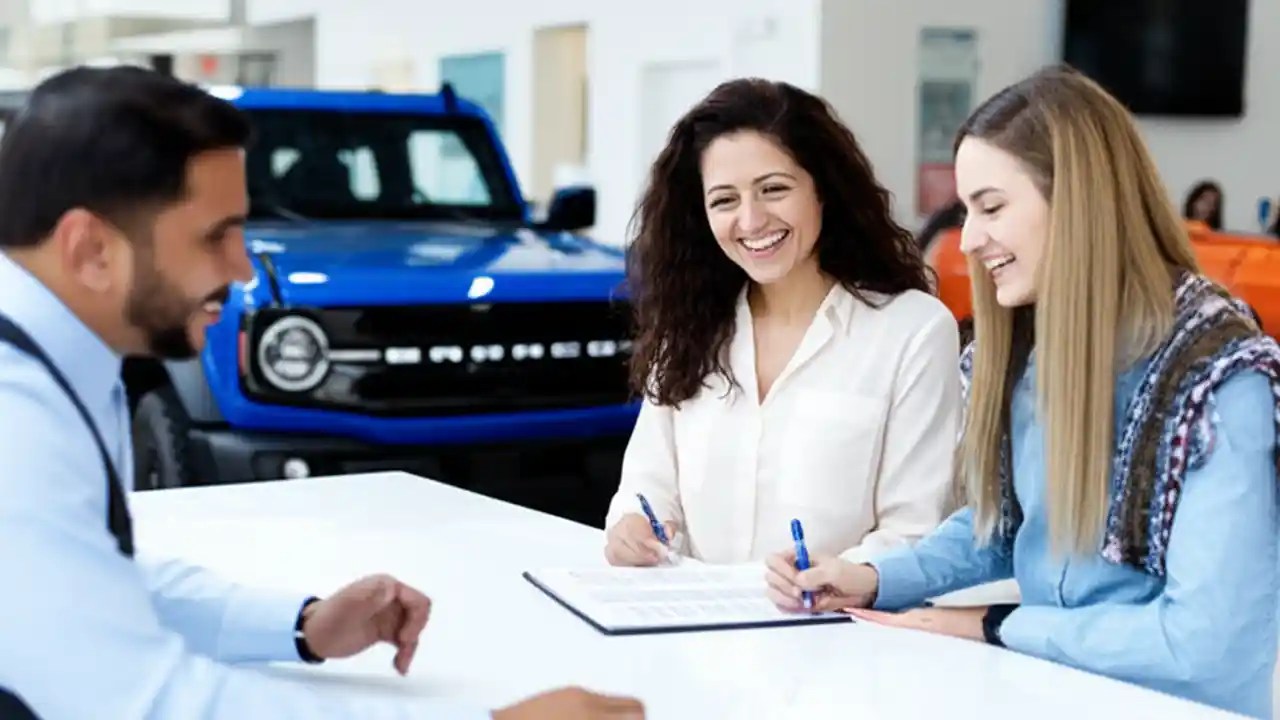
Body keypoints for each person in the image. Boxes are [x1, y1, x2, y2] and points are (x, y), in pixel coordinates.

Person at [0, 66, 644, 720]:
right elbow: (136, 699)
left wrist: (301, 625)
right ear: (90, 250)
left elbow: (98, 582)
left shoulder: (64, 367)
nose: (242, 267)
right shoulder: (15, 420)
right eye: (214, 236)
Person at [764, 65, 1279, 718]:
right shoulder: (1028, 356)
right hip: (1047, 691)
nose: (970, 240)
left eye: (992, 206)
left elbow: (1207, 646)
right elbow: (1005, 527)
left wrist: (996, 624)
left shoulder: (1219, 378)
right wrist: (871, 580)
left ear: (1079, 201)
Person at [603, 78, 961, 567]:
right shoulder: (690, 325)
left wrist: (833, 578)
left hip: (840, 632)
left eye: (773, 190)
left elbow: (918, 530)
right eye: (724, 200)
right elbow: (645, 486)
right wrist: (631, 526)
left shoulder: (913, 331)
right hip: (692, 629)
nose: (751, 221)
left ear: (823, 192)